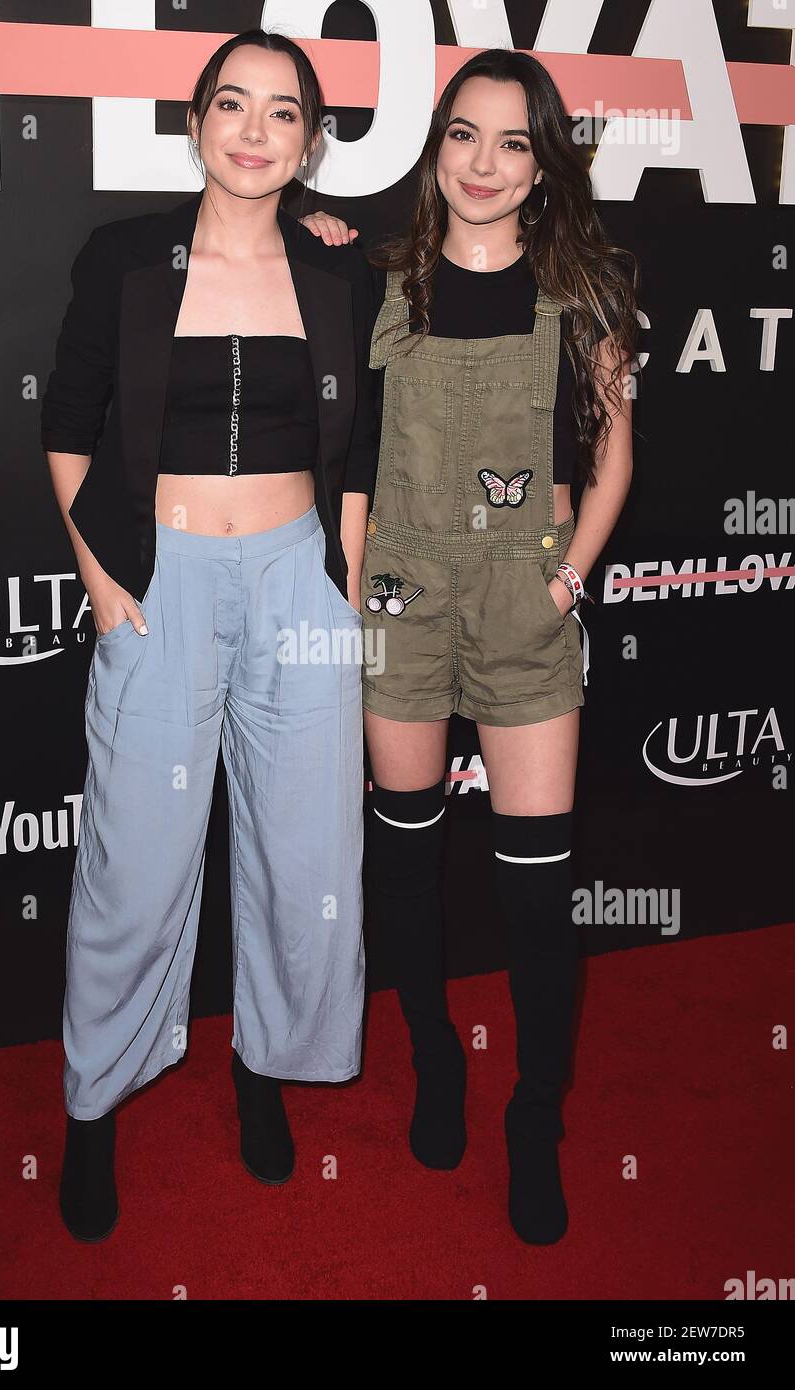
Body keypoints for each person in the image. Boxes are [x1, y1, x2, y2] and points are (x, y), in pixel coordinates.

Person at [40, 29, 381, 1242]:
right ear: (195, 123)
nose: (252, 130)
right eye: (230, 105)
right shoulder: (126, 256)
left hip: (301, 584)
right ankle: (92, 1105)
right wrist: (101, 578)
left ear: (309, 140)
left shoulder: (343, 268)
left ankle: (263, 1063)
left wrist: (344, 582)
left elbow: (366, 442)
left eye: (281, 113)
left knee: (307, 854)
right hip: (157, 578)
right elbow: (69, 420)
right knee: (133, 862)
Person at [300, 47, 638, 1244]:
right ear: (433, 148)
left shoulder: (583, 289)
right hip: (399, 592)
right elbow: (351, 447)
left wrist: (565, 578)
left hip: (521, 599)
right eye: (462, 135)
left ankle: (532, 1114)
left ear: (542, 165)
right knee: (404, 858)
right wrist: (353, 573)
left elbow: (612, 458)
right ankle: (435, 1059)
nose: (484, 163)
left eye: (512, 142)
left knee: (536, 887)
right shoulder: (378, 285)